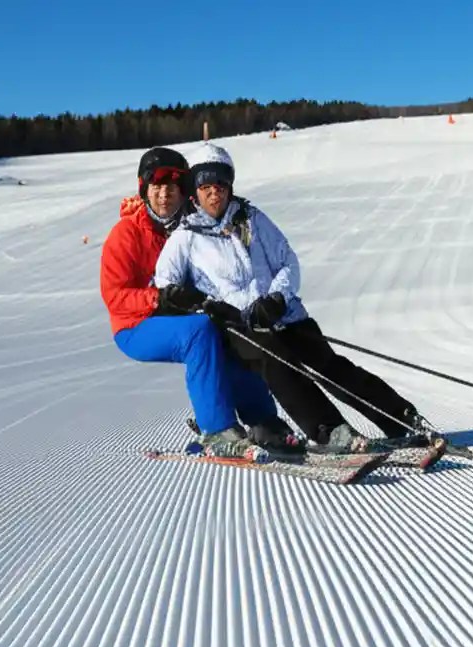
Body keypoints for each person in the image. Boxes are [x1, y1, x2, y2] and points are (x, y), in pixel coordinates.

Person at [154, 143, 434, 453]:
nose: (214, 193)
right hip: (239, 327)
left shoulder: (250, 219)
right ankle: (330, 431)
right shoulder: (187, 235)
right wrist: (185, 298)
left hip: (282, 314)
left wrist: (277, 298)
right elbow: (165, 280)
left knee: (331, 366)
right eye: (205, 187)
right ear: (195, 191)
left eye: (219, 184)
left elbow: (287, 261)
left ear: (229, 185)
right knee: (278, 362)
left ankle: (402, 418)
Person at [99, 146, 299, 458]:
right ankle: (217, 428)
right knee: (200, 332)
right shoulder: (126, 233)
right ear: (144, 190)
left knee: (228, 331)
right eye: (156, 188)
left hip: (185, 318)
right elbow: (115, 297)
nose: (165, 196)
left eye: (173, 188)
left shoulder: (192, 227)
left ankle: (262, 420)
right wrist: (160, 298)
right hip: (135, 326)